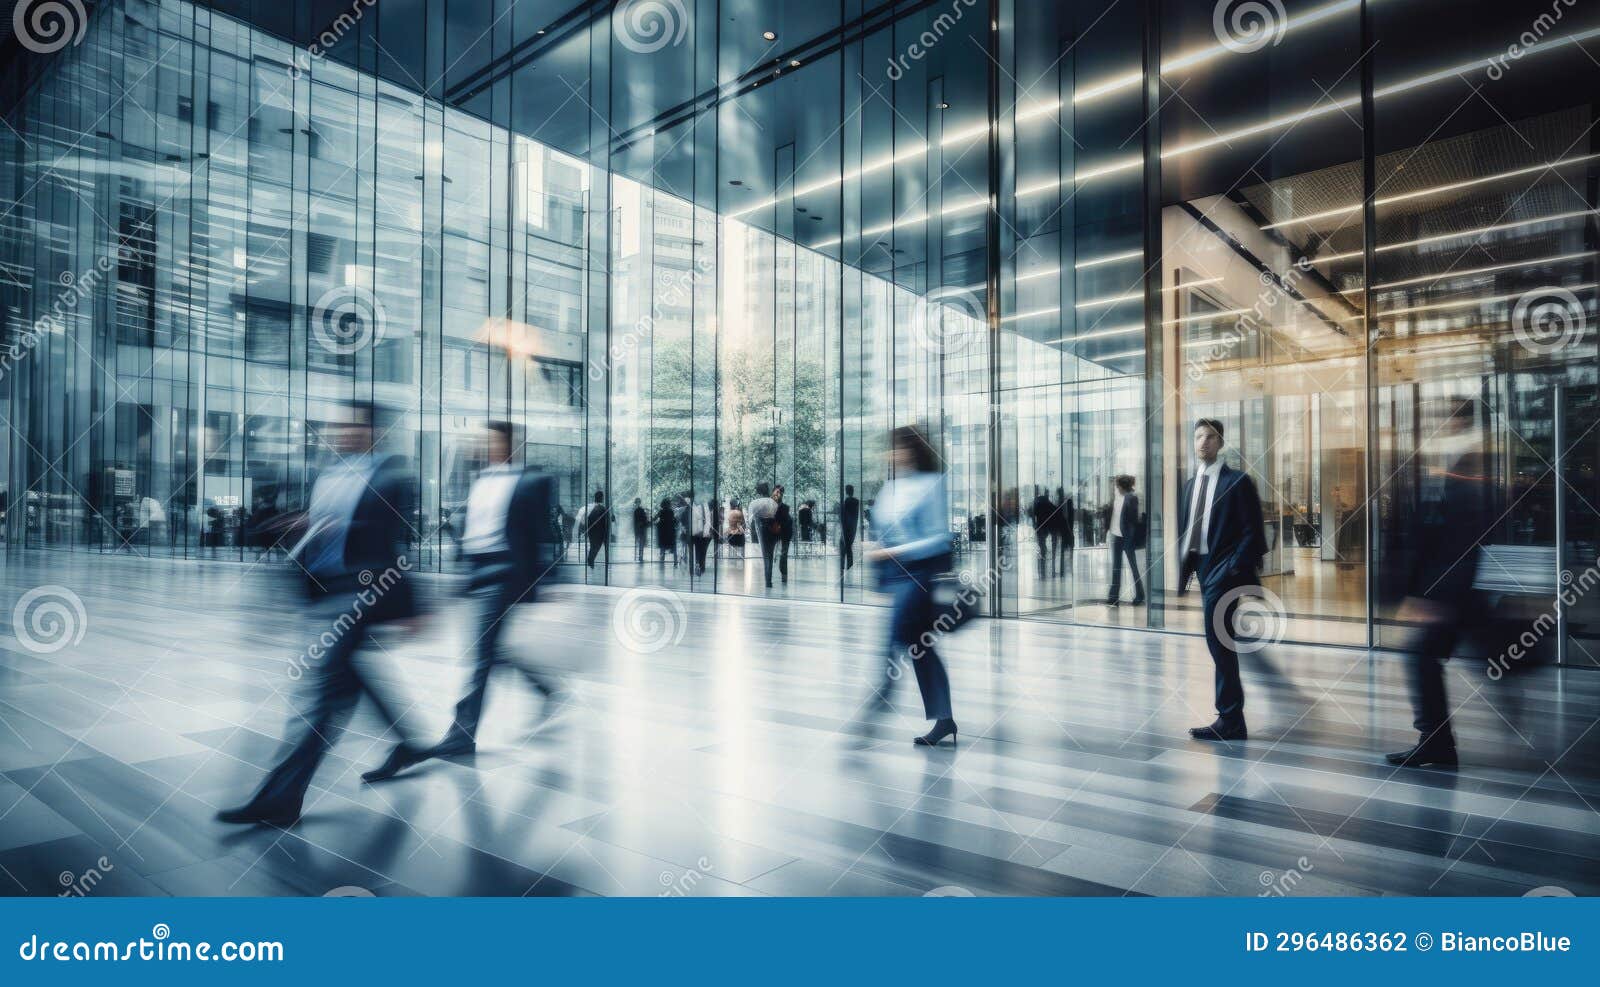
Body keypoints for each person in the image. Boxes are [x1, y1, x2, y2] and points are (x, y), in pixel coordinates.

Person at [217, 401, 424, 826]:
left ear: (372, 430)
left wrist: (413, 607)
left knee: (318, 695)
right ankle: (408, 741)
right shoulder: (329, 474)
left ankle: (282, 797)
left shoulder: (392, 476)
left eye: (352, 425)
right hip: (324, 590)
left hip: (360, 593)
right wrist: (302, 523)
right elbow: (322, 526)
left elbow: (391, 543)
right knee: (348, 680)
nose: (342, 433)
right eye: (337, 426)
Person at [387, 421, 563, 767]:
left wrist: (551, 580)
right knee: (491, 647)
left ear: (510, 444)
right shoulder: (480, 480)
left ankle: (461, 735)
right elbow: (472, 527)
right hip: (478, 571)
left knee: (481, 651)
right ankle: (543, 689)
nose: (486, 446)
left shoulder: (532, 481)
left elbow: (545, 532)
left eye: (492, 441)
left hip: (506, 572)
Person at [1386, 399, 1488, 767]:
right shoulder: (1450, 462)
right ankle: (1436, 740)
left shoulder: (1469, 465)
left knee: (1421, 656)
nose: (1437, 424)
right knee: (1424, 656)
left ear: (1459, 421)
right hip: (1448, 589)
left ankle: (1436, 742)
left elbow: (1464, 537)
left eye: (1443, 417)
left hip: (1451, 590)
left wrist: (1438, 595)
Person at [867, 425, 958, 747]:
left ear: (913, 450)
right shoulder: (891, 487)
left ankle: (878, 700)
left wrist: (894, 551)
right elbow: (880, 529)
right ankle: (944, 719)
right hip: (894, 575)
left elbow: (939, 538)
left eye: (898, 447)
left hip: (917, 577)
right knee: (920, 647)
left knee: (894, 640)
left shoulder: (931, 484)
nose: (892, 454)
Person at [1178, 418, 1267, 742]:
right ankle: (1230, 716)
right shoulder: (1189, 485)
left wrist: (1233, 568)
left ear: (1220, 443)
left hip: (1223, 571)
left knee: (1218, 640)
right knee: (1220, 640)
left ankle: (1231, 719)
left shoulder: (1237, 482)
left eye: (1211, 437)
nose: (1203, 441)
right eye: (1198, 436)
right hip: (1202, 568)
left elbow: (1253, 532)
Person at [1106, 475, 1145, 606]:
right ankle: (1113, 597)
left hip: (1127, 537)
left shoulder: (1132, 497)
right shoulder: (1117, 498)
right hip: (1116, 536)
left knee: (1133, 567)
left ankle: (1140, 595)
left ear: (1122, 486)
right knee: (1116, 567)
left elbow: (1133, 520)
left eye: (1118, 485)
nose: (1117, 488)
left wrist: (1130, 538)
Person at [747, 482, 779, 587]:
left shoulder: (754, 503)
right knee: (770, 554)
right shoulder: (774, 503)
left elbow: (750, 520)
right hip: (773, 530)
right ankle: (768, 579)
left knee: (766, 555)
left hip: (761, 529)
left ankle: (768, 580)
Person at [1030, 486, 1054, 578]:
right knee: (1042, 541)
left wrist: (1034, 524)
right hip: (1044, 526)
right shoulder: (1047, 504)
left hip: (1041, 526)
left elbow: (1033, 514)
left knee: (1041, 541)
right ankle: (1043, 552)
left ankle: (1043, 552)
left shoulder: (1038, 504)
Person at [773, 484, 793, 585]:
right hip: (775, 531)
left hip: (785, 532)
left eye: (780, 493)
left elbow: (785, 522)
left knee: (783, 554)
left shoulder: (784, 507)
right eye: (776, 492)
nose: (778, 494)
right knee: (780, 554)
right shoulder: (771, 505)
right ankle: (783, 575)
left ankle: (784, 576)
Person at [583, 490, 609, 568]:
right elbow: (605, 522)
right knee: (596, 546)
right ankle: (590, 560)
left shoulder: (591, 508)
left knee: (593, 546)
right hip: (599, 532)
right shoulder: (602, 508)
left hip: (592, 531)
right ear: (601, 498)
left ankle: (590, 560)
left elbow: (588, 519)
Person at [1052, 485, 1073, 576]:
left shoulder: (1059, 502)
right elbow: (1067, 516)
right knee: (1061, 548)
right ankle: (1060, 568)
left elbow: (1066, 516)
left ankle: (1058, 568)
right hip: (1061, 526)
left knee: (1058, 547)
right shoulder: (1064, 502)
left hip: (1059, 526)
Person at [691, 497, 714, 574]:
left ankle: (699, 565)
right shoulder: (698, 506)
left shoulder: (702, 506)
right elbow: (705, 520)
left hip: (701, 533)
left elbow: (707, 520)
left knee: (700, 550)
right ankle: (700, 566)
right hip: (700, 532)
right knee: (701, 550)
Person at [840, 485, 861, 570]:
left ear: (846, 491)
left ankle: (844, 565)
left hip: (846, 527)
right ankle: (849, 565)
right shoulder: (856, 501)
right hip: (853, 527)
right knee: (848, 546)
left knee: (844, 545)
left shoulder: (846, 501)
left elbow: (843, 515)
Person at [655, 497, 678, 565]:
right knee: (674, 547)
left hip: (663, 532)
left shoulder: (661, 511)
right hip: (670, 531)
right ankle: (675, 561)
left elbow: (655, 518)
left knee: (662, 548)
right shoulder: (671, 511)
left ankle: (662, 561)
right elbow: (674, 520)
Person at [632, 497, 649, 562]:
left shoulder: (635, 510)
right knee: (641, 543)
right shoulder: (641, 510)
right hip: (641, 528)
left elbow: (635, 521)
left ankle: (638, 556)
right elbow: (644, 519)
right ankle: (640, 556)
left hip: (637, 528)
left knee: (638, 543)